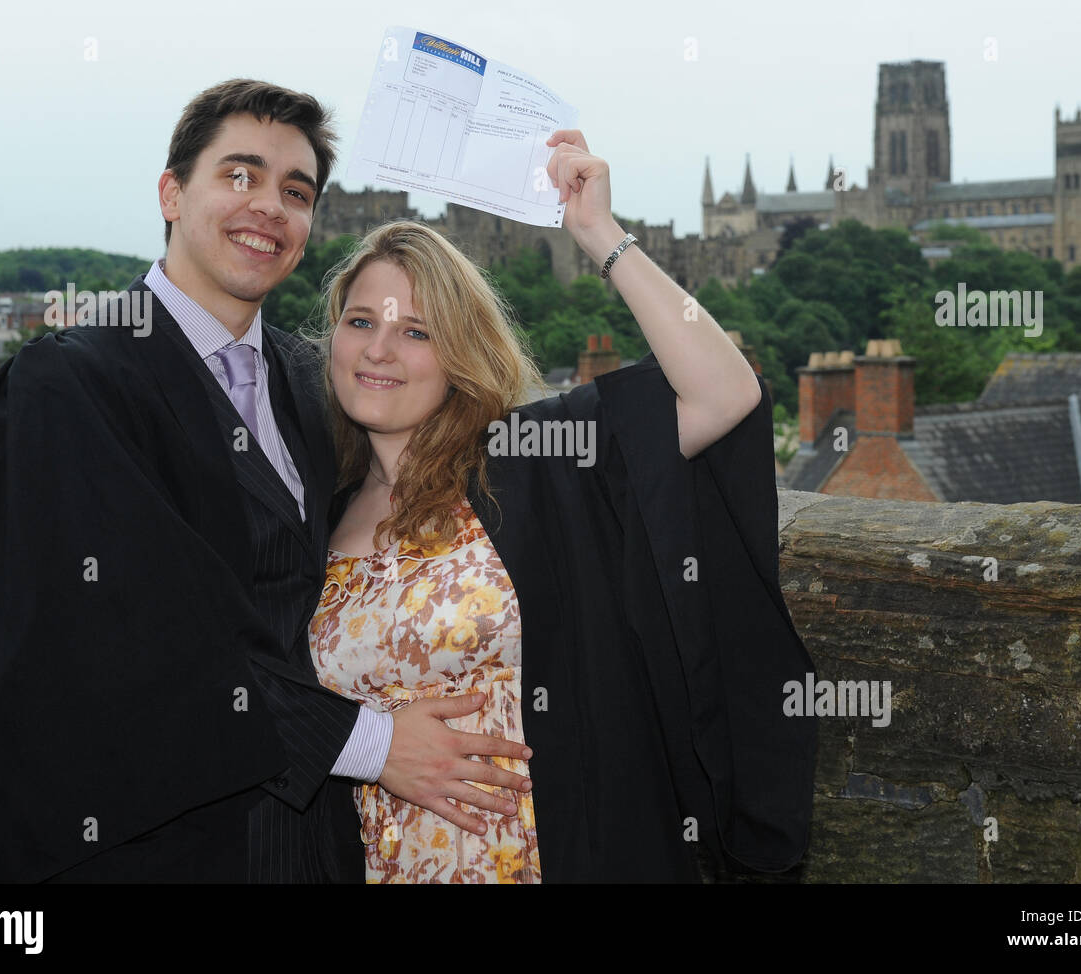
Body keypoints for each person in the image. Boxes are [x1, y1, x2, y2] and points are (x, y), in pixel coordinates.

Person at [0, 78, 528, 883]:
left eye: (294, 191)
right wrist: (371, 742)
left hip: (317, 844)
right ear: (171, 193)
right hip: (157, 845)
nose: (268, 205)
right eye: (239, 175)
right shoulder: (69, 387)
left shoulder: (314, 385)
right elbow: (127, 629)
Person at [303, 129, 818, 883]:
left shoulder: (530, 462)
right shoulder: (316, 512)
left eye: (416, 330)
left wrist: (597, 233)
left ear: (458, 354)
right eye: (361, 321)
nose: (379, 349)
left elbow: (726, 392)